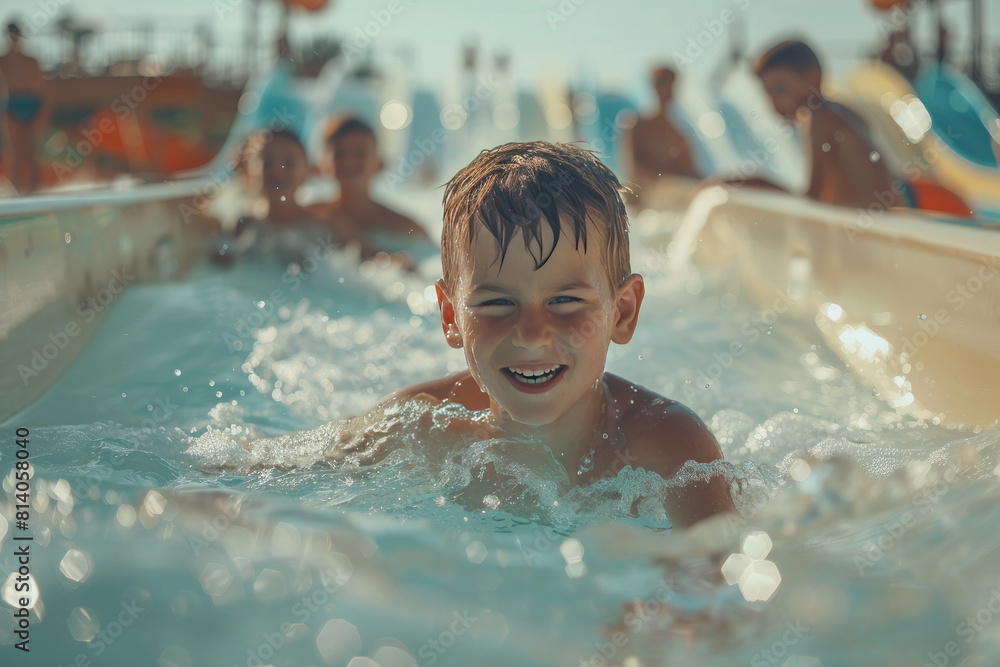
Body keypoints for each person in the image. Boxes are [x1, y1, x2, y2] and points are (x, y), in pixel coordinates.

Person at [249, 141, 734, 528]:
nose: (531, 333)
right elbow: (265, 469)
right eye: (497, 303)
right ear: (451, 317)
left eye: (565, 301)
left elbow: (718, 574)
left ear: (623, 312)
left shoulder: (669, 448)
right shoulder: (420, 428)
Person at [316, 115, 430, 257]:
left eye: (360, 152)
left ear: (380, 164)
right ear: (322, 165)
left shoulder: (404, 227)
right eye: (339, 153)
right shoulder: (313, 215)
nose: (349, 160)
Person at [626, 66, 699, 201]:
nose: (668, 91)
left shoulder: (678, 134)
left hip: (674, 195)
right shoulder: (637, 126)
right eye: (663, 85)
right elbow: (635, 172)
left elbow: (692, 171)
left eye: (671, 86)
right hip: (648, 197)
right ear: (654, 88)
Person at [0, 21, 48, 193]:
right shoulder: (3, 60)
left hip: (32, 102)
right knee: (13, 152)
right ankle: (16, 192)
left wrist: (43, 112)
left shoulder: (31, 61)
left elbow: (43, 88)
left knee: (33, 152)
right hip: (13, 103)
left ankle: (34, 192)